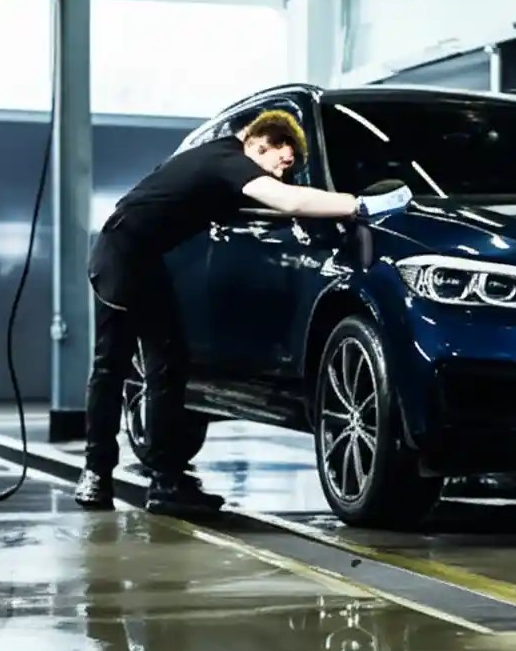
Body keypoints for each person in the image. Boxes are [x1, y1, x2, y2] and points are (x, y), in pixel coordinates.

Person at [72, 108, 413, 516]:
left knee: (168, 363)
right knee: (112, 365)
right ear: (260, 142)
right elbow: (289, 200)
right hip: (120, 256)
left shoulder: (223, 166)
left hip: (144, 260)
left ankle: (166, 483)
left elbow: (271, 207)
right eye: (281, 161)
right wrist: (360, 205)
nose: (281, 173)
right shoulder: (228, 160)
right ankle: (96, 475)